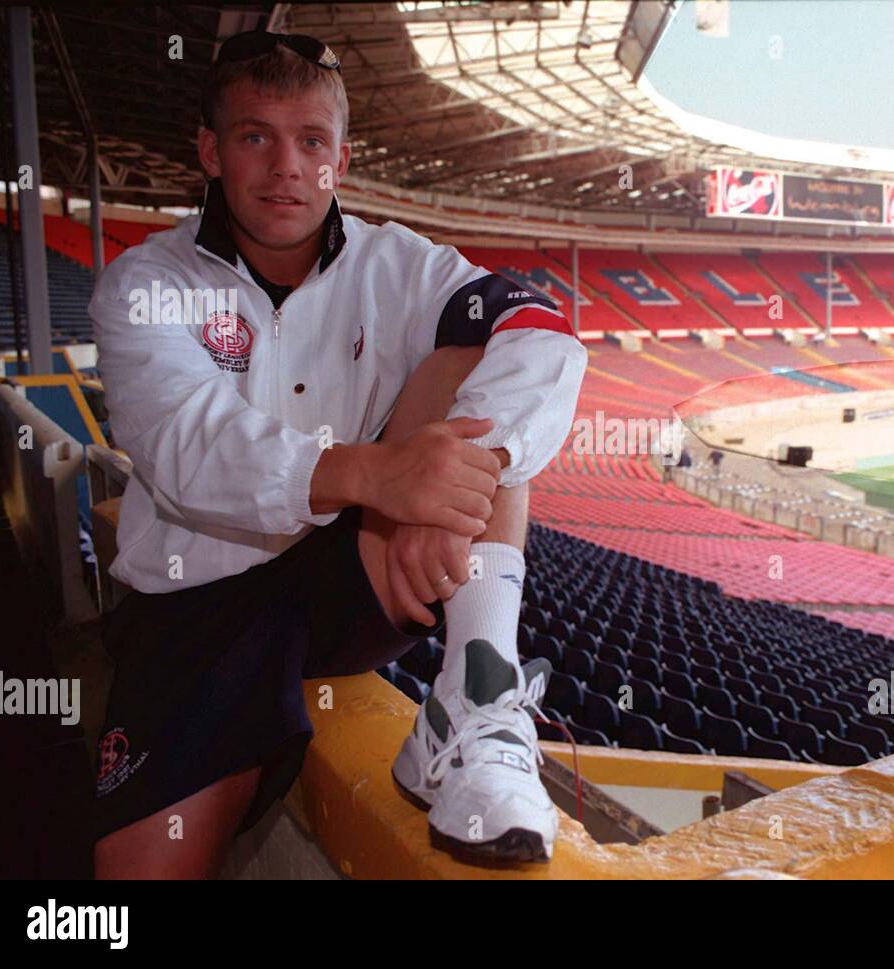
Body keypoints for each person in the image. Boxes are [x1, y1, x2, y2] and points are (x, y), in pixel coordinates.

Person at [89, 30, 586, 877]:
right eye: (255, 136)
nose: (287, 165)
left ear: (340, 159)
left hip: (346, 576)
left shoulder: (398, 264)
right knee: (139, 877)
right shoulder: (145, 283)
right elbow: (180, 440)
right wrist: (373, 473)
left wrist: (474, 467)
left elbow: (544, 334)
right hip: (192, 608)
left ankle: (478, 691)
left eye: (310, 140)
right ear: (211, 151)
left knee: (477, 360)